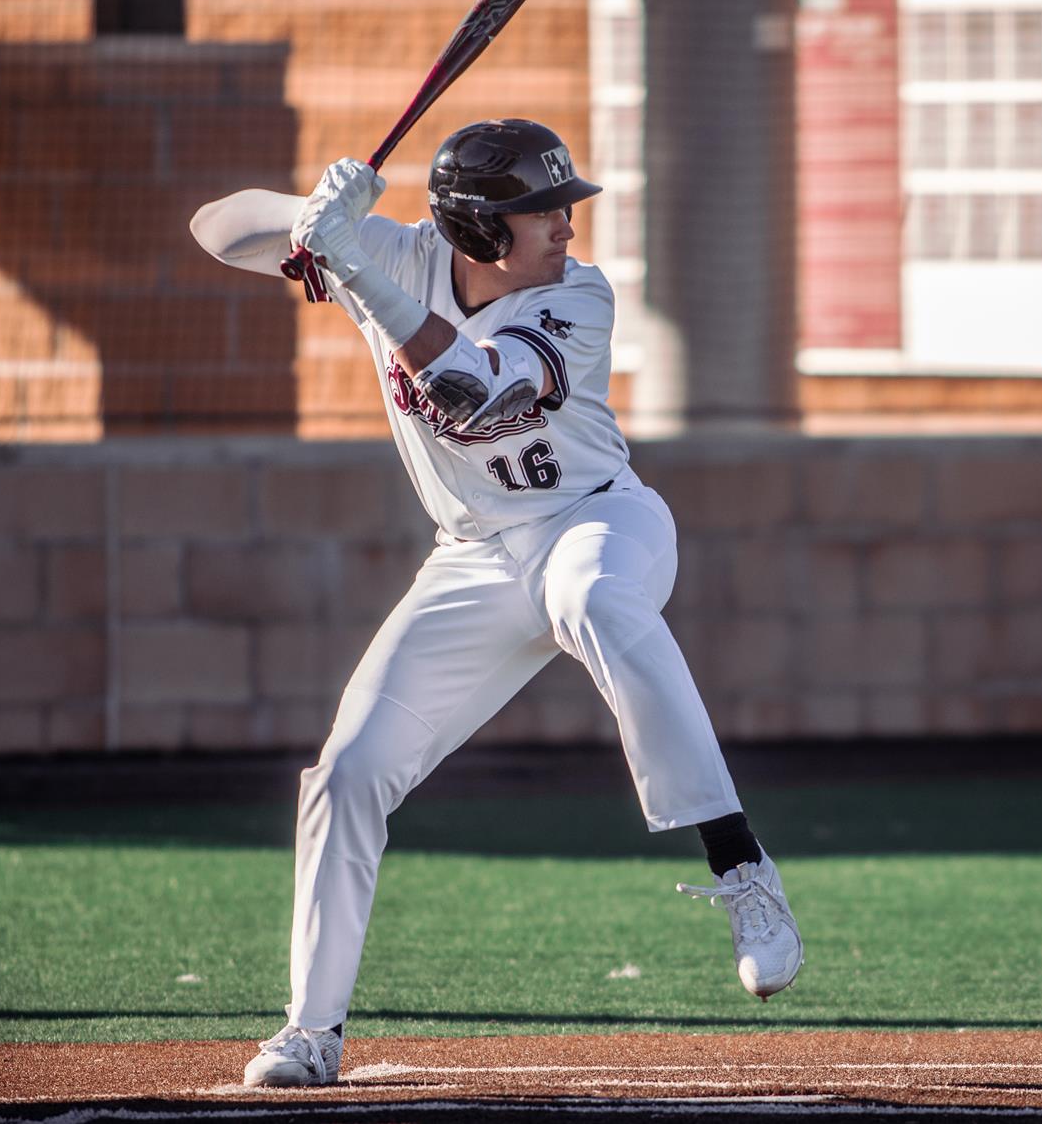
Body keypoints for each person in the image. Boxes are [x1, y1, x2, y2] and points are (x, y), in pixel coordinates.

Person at [190, 119, 804, 1088]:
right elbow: (214, 228)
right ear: (479, 234)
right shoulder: (386, 250)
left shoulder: (576, 296)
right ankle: (309, 1033)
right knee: (348, 773)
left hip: (598, 523)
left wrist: (352, 269)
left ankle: (740, 869)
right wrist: (308, 219)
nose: (564, 223)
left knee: (594, 600)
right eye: (537, 212)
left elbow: (473, 392)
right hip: (471, 557)